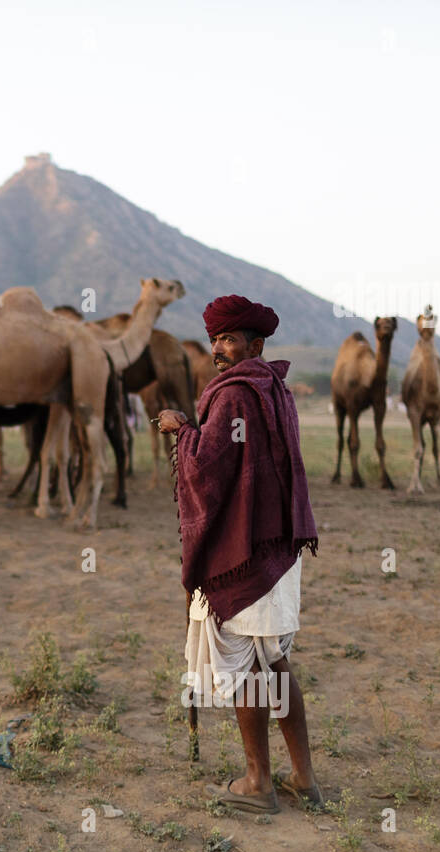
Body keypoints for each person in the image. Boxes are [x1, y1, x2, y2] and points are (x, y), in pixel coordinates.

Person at [157, 294, 321, 814]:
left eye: (228, 340)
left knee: (250, 665)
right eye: (215, 340)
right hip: (277, 549)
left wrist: (180, 430)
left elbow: (207, 471)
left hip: (245, 555)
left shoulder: (233, 396)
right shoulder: (276, 388)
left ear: (255, 344)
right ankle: (304, 779)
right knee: (274, 663)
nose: (218, 350)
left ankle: (259, 783)